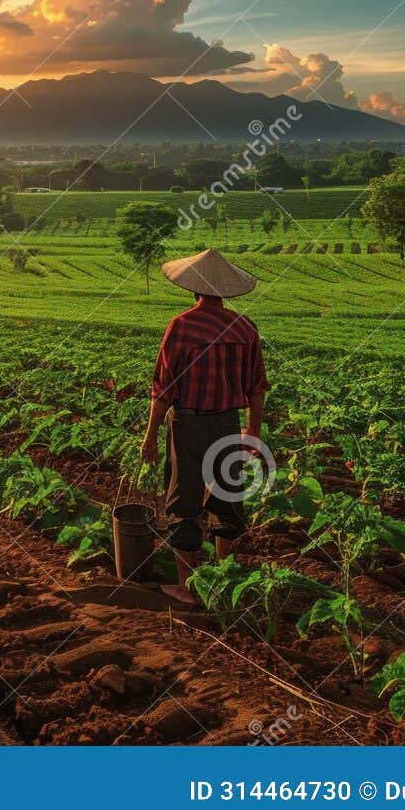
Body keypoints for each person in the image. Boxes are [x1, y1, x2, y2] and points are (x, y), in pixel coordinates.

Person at [139, 249, 268, 605]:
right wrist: (252, 432)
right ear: (224, 291)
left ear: (193, 289)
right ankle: (225, 574)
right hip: (228, 423)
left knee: (184, 500)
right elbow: (257, 387)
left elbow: (164, 389)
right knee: (227, 493)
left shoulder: (182, 326)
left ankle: (186, 586)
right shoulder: (244, 327)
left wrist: (150, 436)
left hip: (189, 425)